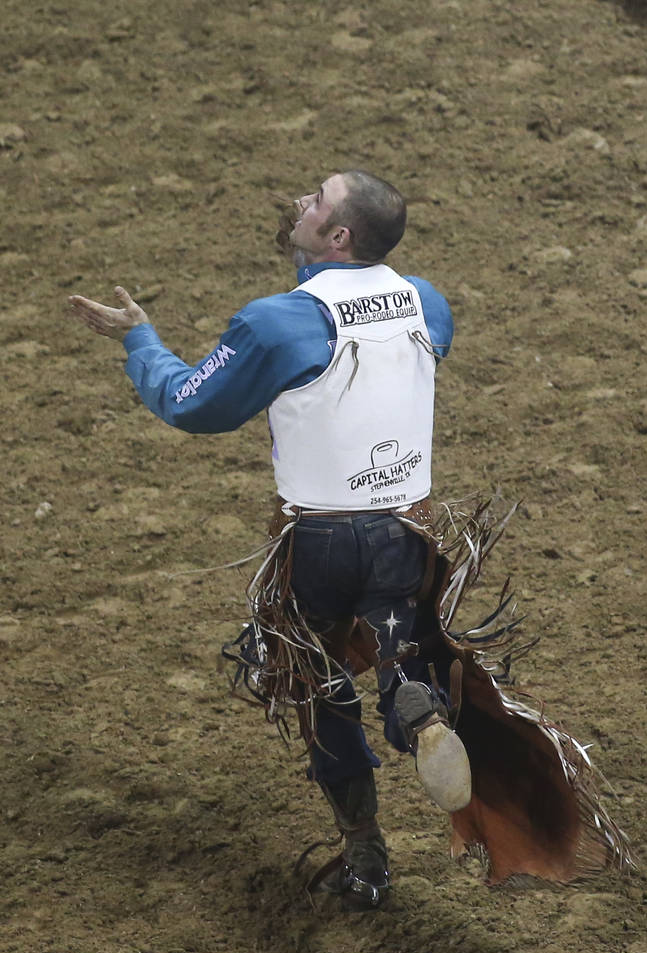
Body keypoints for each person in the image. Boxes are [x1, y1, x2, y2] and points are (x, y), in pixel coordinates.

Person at [69, 170, 472, 910]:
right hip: (404, 534)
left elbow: (192, 405)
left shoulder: (277, 323)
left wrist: (139, 339)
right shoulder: (429, 303)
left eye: (315, 203)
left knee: (316, 684)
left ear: (339, 235)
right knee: (395, 642)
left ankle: (367, 856)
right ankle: (415, 704)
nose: (299, 205)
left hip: (318, 543)